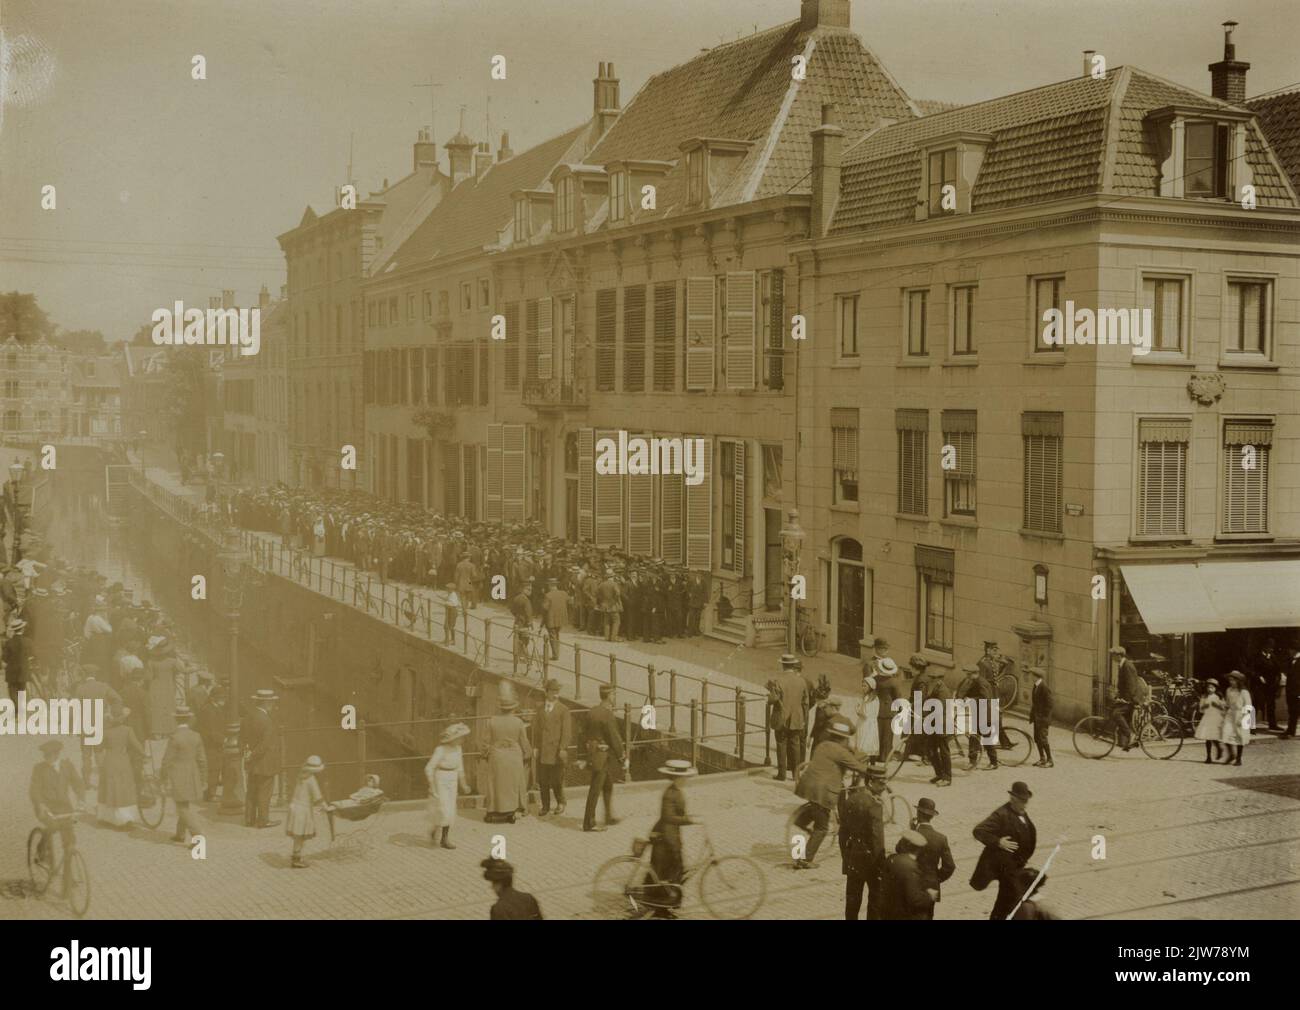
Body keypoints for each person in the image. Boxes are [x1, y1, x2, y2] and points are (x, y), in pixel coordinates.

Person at [792, 716, 870, 870]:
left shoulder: (823, 745)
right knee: (822, 827)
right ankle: (805, 860)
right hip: (823, 791)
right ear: (843, 739)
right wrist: (875, 772)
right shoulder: (841, 752)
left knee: (814, 808)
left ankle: (800, 820)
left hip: (807, 786)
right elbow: (858, 767)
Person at [970, 781, 1037, 920]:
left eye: (1026, 801)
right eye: (1022, 801)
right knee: (1011, 897)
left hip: (1017, 865)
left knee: (1007, 900)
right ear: (1013, 799)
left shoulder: (1021, 813)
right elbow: (979, 830)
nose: (1025, 805)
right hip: (1005, 867)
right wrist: (998, 841)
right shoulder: (1001, 814)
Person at [648, 759, 697, 918]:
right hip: (666, 838)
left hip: (671, 834)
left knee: (673, 872)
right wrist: (689, 820)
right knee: (667, 873)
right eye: (683, 778)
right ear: (676, 778)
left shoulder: (675, 791)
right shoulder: (670, 794)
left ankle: (666, 904)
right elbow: (668, 817)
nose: (686, 780)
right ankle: (661, 908)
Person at [838, 765, 887, 920]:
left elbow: (843, 833)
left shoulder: (851, 799)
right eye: (881, 783)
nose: (884, 787)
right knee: (875, 899)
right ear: (871, 782)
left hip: (853, 858)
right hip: (872, 862)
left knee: (852, 900)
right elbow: (877, 839)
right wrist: (881, 863)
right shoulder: (874, 805)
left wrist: (846, 856)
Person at [30, 740, 85, 866]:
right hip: (45, 808)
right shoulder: (39, 769)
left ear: (57, 755)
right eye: (45, 755)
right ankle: (41, 849)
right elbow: (34, 789)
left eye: (49, 755)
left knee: (69, 841)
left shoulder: (67, 766)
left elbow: (78, 784)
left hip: (64, 808)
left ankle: (68, 876)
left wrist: (81, 800)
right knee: (53, 826)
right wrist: (40, 804)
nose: (46, 758)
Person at [484, 683, 531, 823]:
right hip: (514, 757)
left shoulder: (491, 721)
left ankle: (493, 809)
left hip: (497, 755)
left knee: (495, 782)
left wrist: (486, 754)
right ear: (513, 708)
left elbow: (485, 742)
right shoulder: (518, 722)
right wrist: (528, 754)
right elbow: (524, 742)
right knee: (513, 783)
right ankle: (513, 809)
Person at [161, 704, 207, 847]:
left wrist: (162, 778)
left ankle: (198, 837)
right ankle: (180, 834)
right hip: (192, 774)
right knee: (184, 803)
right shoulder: (196, 736)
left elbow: (166, 761)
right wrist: (203, 778)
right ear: (188, 719)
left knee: (181, 807)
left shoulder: (175, 738)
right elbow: (202, 760)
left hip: (178, 775)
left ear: (176, 720)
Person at [582, 683, 624, 832]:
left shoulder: (592, 711)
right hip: (602, 756)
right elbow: (614, 738)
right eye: (614, 695)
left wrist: (583, 755)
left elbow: (584, 733)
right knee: (595, 788)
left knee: (608, 785)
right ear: (609, 696)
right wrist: (622, 758)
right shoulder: (607, 714)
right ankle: (589, 823)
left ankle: (608, 816)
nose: (615, 697)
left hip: (594, 754)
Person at [96, 708, 145, 827]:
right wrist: (145, 755)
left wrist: (99, 763)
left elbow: (98, 748)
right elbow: (137, 746)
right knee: (123, 789)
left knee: (108, 788)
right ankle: (124, 819)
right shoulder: (128, 730)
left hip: (109, 762)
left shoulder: (105, 732)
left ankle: (106, 817)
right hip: (123, 762)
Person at [74, 664, 122, 785]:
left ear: (85, 675)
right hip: (101, 725)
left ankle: (86, 781)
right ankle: (104, 781)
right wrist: (112, 715)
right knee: (99, 753)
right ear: (95, 675)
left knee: (86, 755)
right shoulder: (103, 687)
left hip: (85, 726)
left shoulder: (80, 689)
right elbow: (117, 699)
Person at [425, 723, 471, 848]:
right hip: (441, 778)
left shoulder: (458, 749)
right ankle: (435, 829)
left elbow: (460, 768)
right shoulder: (441, 750)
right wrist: (432, 785)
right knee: (443, 809)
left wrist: (464, 785)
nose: (462, 740)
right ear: (453, 738)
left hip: (453, 778)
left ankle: (444, 839)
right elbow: (429, 767)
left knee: (450, 810)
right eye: (460, 737)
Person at [911, 797, 955, 919]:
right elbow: (950, 866)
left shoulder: (913, 834)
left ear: (918, 813)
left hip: (911, 884)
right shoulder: (941, 838)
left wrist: (911, 830)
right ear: (932, 816)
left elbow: (899, 849)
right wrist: (936, 878)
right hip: (931, 885)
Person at [286, 755, 333, 869]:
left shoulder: (301, 776)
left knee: (298, 836)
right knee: (300, 836)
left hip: (295, 806)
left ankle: (296, 857)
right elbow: (318, 797)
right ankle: (296, 860)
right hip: (303, 810)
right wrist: (326, 807)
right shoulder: (311, 779)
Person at [243, 688, 279, 828]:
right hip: (265, 762)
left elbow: (243, 737)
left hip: (253, 762)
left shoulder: (249, 716)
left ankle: (249, 819)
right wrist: (254, 754)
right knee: (265, 792)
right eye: (271, 702)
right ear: (265, 702)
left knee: (252, 791)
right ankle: (263, 820)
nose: (272, 705)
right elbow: (265, 744)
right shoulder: (266, 720)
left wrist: (249, 754)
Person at [881, 830, 937, 920]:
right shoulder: (911, 867)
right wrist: (929, 896)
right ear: (919, 849)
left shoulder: (891, 859)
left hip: (888, 913)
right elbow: (914, 899)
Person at [535, 679, 571, 816]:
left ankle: (561, 802)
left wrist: (563, 748)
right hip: (543, 751)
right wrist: (535, 747)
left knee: (557, 779)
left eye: (557, 691)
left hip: (556, 751)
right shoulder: (539, 709)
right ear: (546, 693)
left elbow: (566, 732)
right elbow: (536, 730)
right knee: (543, 780)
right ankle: (545, 806)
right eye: (552, 692)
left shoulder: (563, 710)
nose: (555, 694)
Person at [772, 654, 809, 781]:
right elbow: (805, 702)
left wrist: (769, 698)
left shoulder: (778, 680)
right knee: (795, 745)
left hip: (782, 718)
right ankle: (796, 774)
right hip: (797, 718)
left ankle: (781, 774)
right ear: (793, 666)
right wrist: (803, 719)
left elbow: (773, 699)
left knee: (781, 744)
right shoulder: (801, 681)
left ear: (783, 665)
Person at [963, 665, 998, 770]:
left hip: (984, 715)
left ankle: (994, 763)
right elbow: (971, 692)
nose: (967, 676)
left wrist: (970, 699)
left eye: (969, 674)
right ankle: (972, 762)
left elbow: (985, 698)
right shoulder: (975, 681)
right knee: (973, 738)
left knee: (987, 740)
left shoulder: (981, 682)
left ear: (974, 673)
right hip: (978, 714)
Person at [921, 666, 952, 786]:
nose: (930, 680)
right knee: (930, 750)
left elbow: (939, 709)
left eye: (933, 678)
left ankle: (947, 778)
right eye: (930, 677)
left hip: (942, 725)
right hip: (934, 724)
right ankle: (939, 774)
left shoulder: (943, 691)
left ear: (940, 679)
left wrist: (927, 716)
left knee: (944, 752)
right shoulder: (935, 688)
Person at [197, 683, 226, 800]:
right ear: (214, 698)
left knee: (214, 768)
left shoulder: (213, 708)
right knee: (213, 769)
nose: (223, 700)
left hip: (213, 744)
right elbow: (211, 731)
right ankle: (210, 794)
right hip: (210, 745)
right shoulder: (209, 710)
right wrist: (224, 740)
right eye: (221, 698)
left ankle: (210, 793)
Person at [1109, 646, 1141, 751]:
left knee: (1116, 714)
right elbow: (1123, 685)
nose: (1112, 658)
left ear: (1119, 655)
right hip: (1127, 697)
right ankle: (1126, 743)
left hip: (1131, 699)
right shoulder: (1122, 665)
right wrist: (1118, 696)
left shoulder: (1127, 666)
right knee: (1118, 712)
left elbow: (1131, 686)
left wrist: (1126, 699)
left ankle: (1131, 736)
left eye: (1113, 655)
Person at [1219, 670, 1253, 766]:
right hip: (1230, 714)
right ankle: (1231, 754)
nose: (1231, 682)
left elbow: (1248, 706)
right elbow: (1227, 703)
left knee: (1239, 736)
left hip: (1240, 715)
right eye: (1230, 680)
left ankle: (1238, 758)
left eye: (1233, 680)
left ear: (1238, 681)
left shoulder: (1244, 692)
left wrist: (1244, 718)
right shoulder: (1229, 690)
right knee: (1226, 733)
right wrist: (1222, 705)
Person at [1194, 678, 1227, 763]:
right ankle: (1208, 757)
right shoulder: (1204, 697)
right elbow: (1201, 709)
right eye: (1208, 687)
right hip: (1207, 717)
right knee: (1208, 737)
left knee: (1214, 735)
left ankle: (1219, 748)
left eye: (1212, 687)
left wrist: (1216, 705)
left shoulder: (1218, 697)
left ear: (1216, 688)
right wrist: (1205, 706)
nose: (1210, 689)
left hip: (1216, 717)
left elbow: (1223, 708)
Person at [1253, 638, 1280, 731]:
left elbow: (1277, 669)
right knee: (1256, 705)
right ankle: (1250, 727)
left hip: (1270, 686)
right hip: (1259, 685)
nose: (1271, 649)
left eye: (1272, 647)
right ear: (1264, 647)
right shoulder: (1257, 657)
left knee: (1271, 705)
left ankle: (1272, 724)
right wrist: (1259, 677)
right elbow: (1252, 670)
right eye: (1269, 647)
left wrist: (1277, 680)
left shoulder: (1273, 656)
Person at [1029, 668, 1054, 768]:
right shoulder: (1036, 685)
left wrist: (1043, 716)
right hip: (1037, 718)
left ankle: (1050, 760)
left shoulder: (1044, 687)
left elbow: (1050, 704)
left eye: (1032, 675)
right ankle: (1042, 758)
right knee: (1037, 739)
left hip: (1042, 719)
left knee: (1043, 739)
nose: (1031, 677)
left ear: (1036, 676)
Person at [854, 673, 881, 759]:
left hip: (866, 724)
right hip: (868, 724)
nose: (863, 688)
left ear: (870, 687)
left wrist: (857, 710)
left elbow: (865, 714)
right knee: (868, 743)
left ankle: (864, 759)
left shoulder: (870, 699)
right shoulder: (871, 698)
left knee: (865, 742)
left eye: (865, 686)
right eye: (862, 686)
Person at [541, 578, 568, 661]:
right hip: (560, 619)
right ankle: (557, 652)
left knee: (552, 636)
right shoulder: (564, 593)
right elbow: (569, 602)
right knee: (557, 635)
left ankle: (555, 655)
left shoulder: (548, 595)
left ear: (550, 585)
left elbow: (545, 608)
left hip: (551, 619)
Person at [509, 585, 534, 675]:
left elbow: (512, 610)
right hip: (524, 624)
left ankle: (518, 657)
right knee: (525, 641)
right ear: (524, 589)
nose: (530, 591)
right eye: (529, 589)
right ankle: (525, 659)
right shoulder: (526, 601)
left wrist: (517, 616)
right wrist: (530, 624)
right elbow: (528, 613)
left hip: (517, 622)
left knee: (517, 640)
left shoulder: (516, 598)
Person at [3, 614, 29, 702]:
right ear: (22, 629)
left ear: (13, 630)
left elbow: (4, 660)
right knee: (22, 690)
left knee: (12, 691)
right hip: (23, 671)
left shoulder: (8, 643)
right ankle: (21, 710)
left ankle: (16, 709)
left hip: (12, 673)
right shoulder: (28, 642)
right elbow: (34, 654)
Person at [596, 569, 622, 642]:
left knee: (606, 622)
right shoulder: (614, 584)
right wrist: (614, 600)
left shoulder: (602, 584)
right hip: (613, 606)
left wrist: (602, 601)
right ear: (612, 576)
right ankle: (613, 637)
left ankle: (607, 637)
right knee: (616, 621)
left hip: (605, 606)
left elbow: (597, 594)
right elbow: (618, 593)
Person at [1283, 648, 1300, 739]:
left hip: (1298, 691)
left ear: (1295, 650)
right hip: (1290, 690)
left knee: (1295, 711)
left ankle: (1291, 731)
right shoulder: (1290, 660)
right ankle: (1290, 730)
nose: (1289, 651)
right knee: (1292, 711)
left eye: (1290, 650)